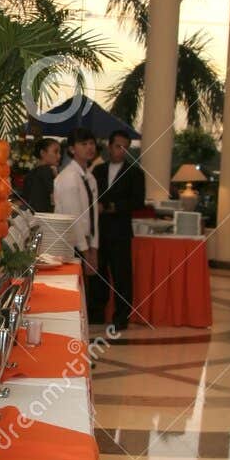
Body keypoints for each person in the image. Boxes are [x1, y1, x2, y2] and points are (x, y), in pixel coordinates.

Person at [92, 127, 146, 336]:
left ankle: (121, 317)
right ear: (109, 146)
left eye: (125, 147)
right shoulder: (98, 171)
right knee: (98, 274)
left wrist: (112, 206)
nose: (120, 151)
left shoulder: (135, 173)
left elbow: (137, 201)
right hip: (99, 230)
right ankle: (97, 313)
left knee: (122, 276)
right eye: (117, 146)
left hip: (121, 232)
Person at [53, 130, 101, 315]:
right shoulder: (68, 178)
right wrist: (85, 251)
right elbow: (74, 218)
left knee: (83, 293)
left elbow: (93, 215)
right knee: (73, 294)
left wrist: (94, 247)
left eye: (91, 143)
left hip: (85, 241)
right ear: (72, 149)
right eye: (84, 144)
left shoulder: (89, 177)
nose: (90, 148)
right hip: (70, 244)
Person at [22, 137, 61, 213]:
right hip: (47, 218)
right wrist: (57, 176)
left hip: (33, 218)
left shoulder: (30, 173)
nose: (59, 156)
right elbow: (57, 197)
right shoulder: (47, 170)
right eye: (56, 152)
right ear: (43, 153)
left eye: (60, 153)